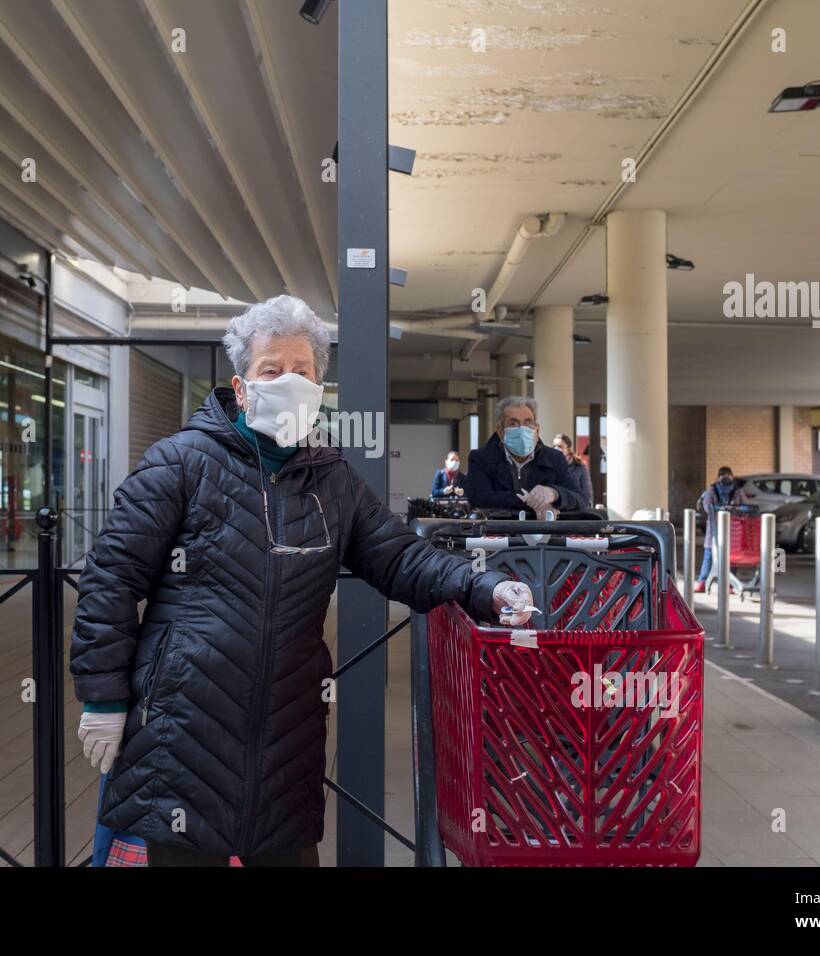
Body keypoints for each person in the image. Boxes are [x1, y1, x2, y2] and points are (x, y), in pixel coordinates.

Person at [70, 295, 535, 867]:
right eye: (271, 370)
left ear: (318, 388)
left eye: (302, 371)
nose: (288, 382)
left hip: (284, 740)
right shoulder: (179, 463)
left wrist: (479, 586)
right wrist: (104, 695)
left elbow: (397, 556)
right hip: (179, 735)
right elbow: (110, 578)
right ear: (240, 388)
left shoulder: (330, 478)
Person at [465, 397, 588, 518]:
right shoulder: (480, 458)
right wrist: (533, 500)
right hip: (498, 534)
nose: (522, 429)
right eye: (513, 423)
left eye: (528, 422)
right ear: (500, 431)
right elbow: (479, 499)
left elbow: (580, 500)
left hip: (545, 534)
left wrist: (553, 493)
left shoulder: (554, 458)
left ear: (537, 429)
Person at [694, 466, 746, 593]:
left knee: (731, 556)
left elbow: (745, 506)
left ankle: (729, 583)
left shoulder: (737, 491)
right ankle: (703, 581)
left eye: (728, 475)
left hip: (729, 529)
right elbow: (707, 506)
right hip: (716, 529)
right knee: (710, 555)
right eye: (724, 476)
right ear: (718, 477)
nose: (726, 478)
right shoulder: (712, 490)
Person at [551, 433, 594, 508]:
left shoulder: (580, 468)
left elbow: (587, 496)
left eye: (560, 446)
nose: (556, 449)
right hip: (556, 511)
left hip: (574, 511)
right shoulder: (550, 467)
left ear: (568, 449)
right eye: (554, 446)